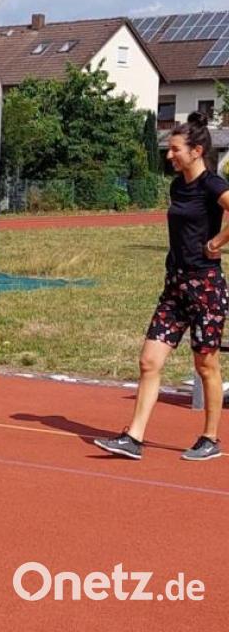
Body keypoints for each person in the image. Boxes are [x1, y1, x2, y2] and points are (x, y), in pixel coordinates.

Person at [96, 112, 224, 461]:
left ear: (196, 151)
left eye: (175, 149)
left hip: (205, 286)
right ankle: (133, 437)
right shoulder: (177, 186)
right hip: (175, 285)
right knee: (149, 361)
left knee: (206, 364)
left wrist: (217, 242)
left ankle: (210, 438)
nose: (169, 155)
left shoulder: (212, 185)